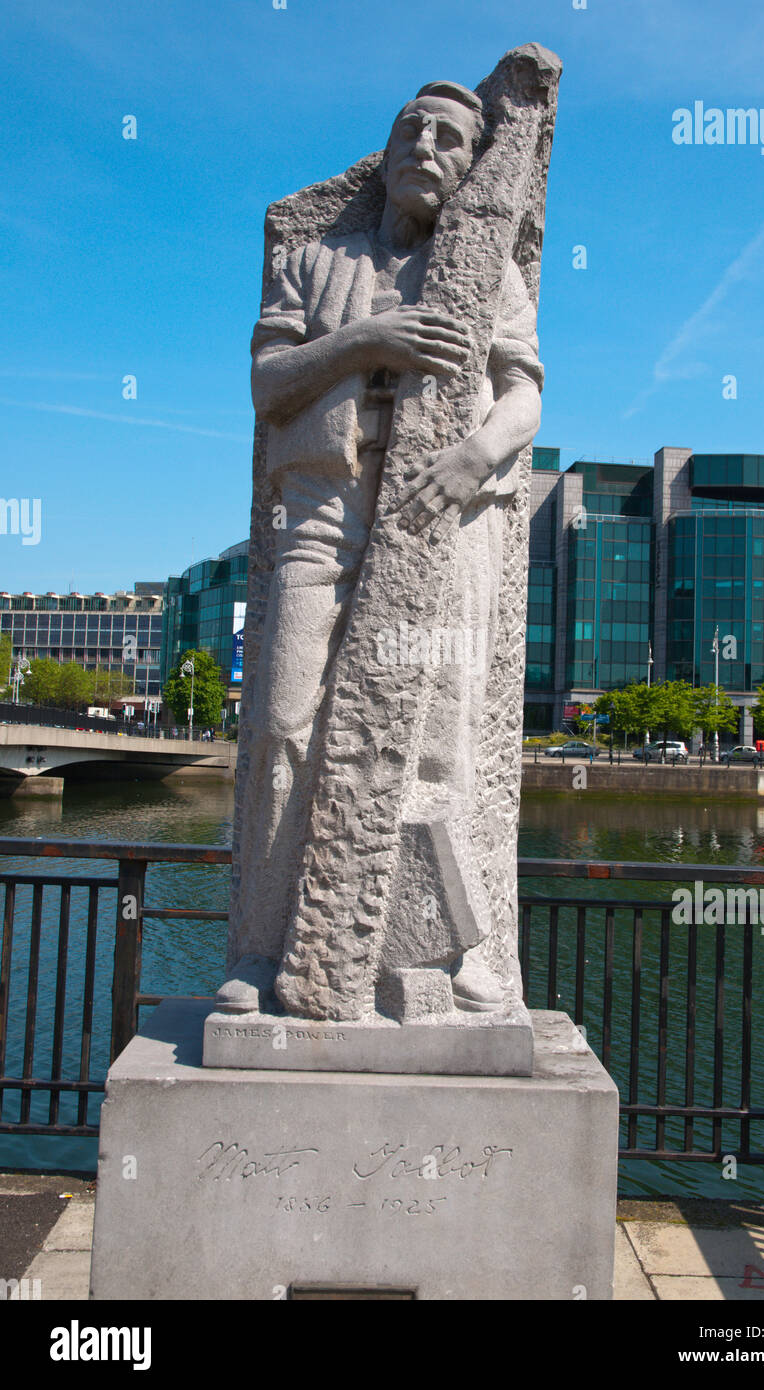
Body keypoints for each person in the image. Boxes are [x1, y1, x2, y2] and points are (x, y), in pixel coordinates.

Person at [222, 81, 543, 1015]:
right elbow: (268, 384)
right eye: (413, 129)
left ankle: (448, 953)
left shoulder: (489, 273)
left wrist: (474, 456)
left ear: (471, 161)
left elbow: (522, 392)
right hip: (322, 511)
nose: (428, 147)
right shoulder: (314, 258)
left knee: (439, 735)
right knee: (285, 726)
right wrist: (365, 340)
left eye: (451, 137)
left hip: (435, 516)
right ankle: (262, 947)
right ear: (388, 146)